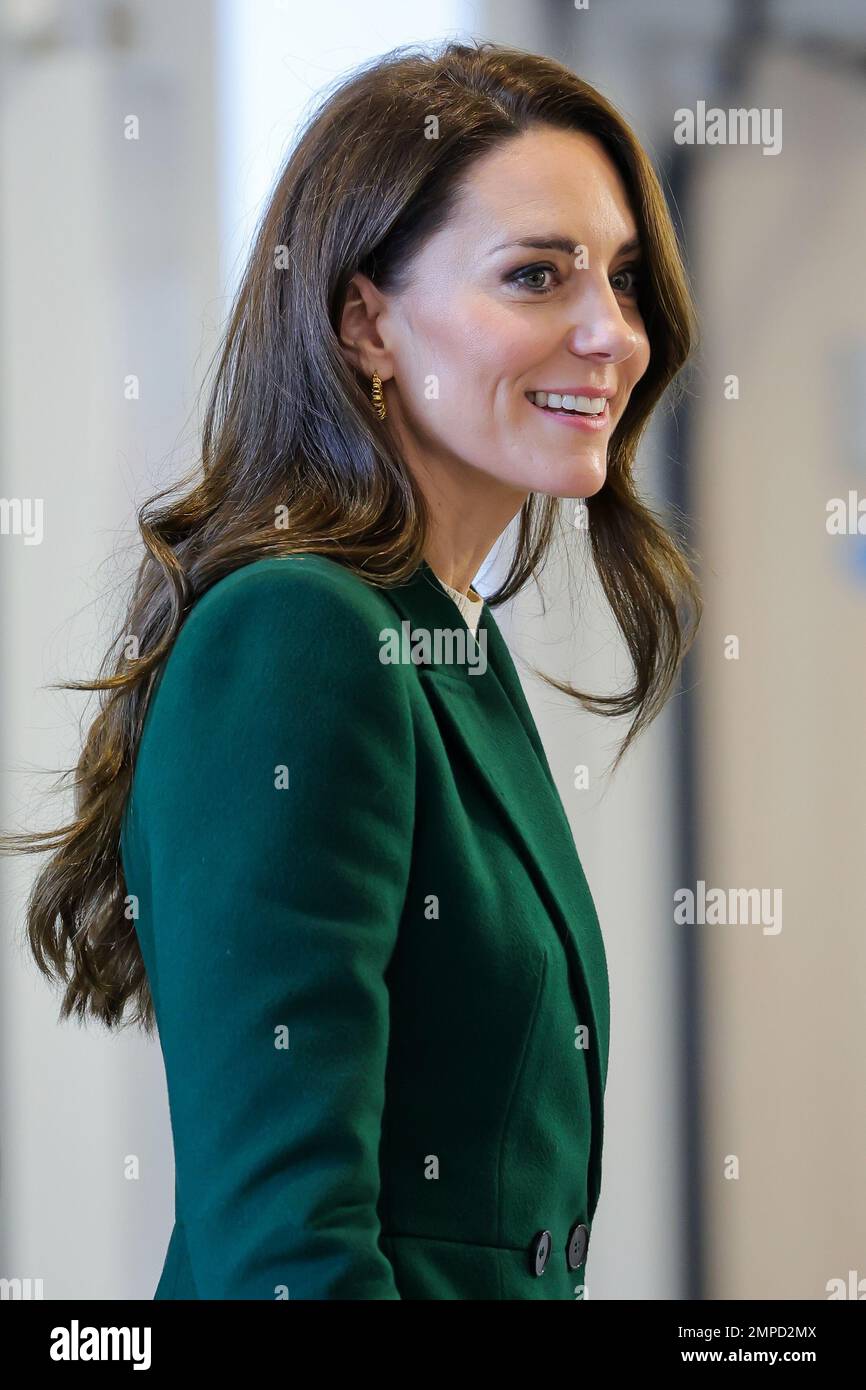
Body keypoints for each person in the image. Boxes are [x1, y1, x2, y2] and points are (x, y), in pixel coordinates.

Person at [3, 39, 701, 1299]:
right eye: (537, 275)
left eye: (624, 279)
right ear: (363, 320)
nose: (611, 333)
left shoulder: (442, 642)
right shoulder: (301, 635)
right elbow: (288, 1248)